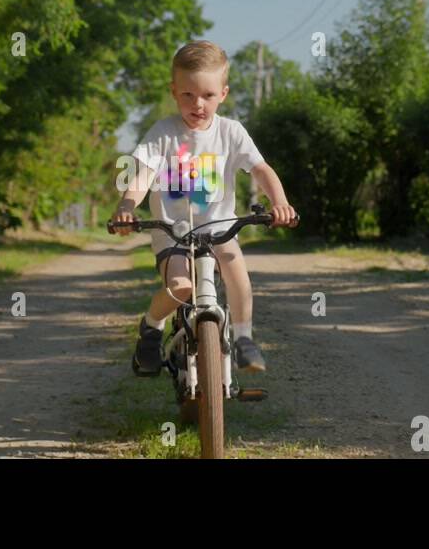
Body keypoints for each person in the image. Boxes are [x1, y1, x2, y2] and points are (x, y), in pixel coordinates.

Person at [110, 40, 297, 376]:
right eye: (188, 95)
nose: (198, 104)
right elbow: (142, 176)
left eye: (208, 96)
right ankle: (151, 327)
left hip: (219, 229)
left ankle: (243, 338)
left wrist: (279, 202)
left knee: (236, 270)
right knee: (180, 287)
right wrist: (126, 206)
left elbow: (261, 170)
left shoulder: (231, 132)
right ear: (174, 91)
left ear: (223, 94)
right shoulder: (164, 133)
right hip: (174, 234)